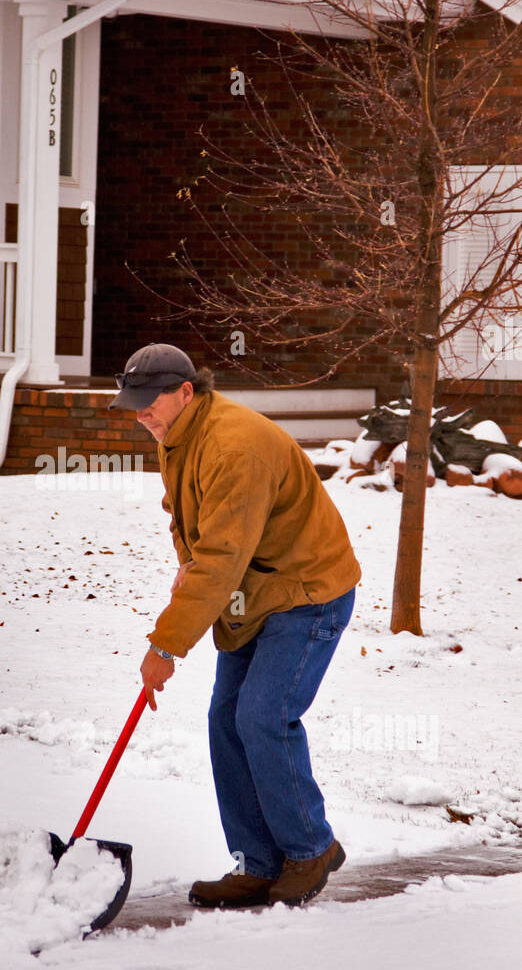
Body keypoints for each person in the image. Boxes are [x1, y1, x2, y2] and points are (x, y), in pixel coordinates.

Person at [108, 343, 362, 908]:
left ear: (185, 391)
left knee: (263, 715)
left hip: (306, 592)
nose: (141, 414)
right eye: (134, 405)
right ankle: (258, 862)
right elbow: (189, 520)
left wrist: (166, 646)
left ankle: (310, 848)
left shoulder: (235, 447)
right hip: (257, 591)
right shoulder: (178, 436)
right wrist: (185, 564)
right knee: (227, 719)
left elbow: (222, 557)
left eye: (150, 403)